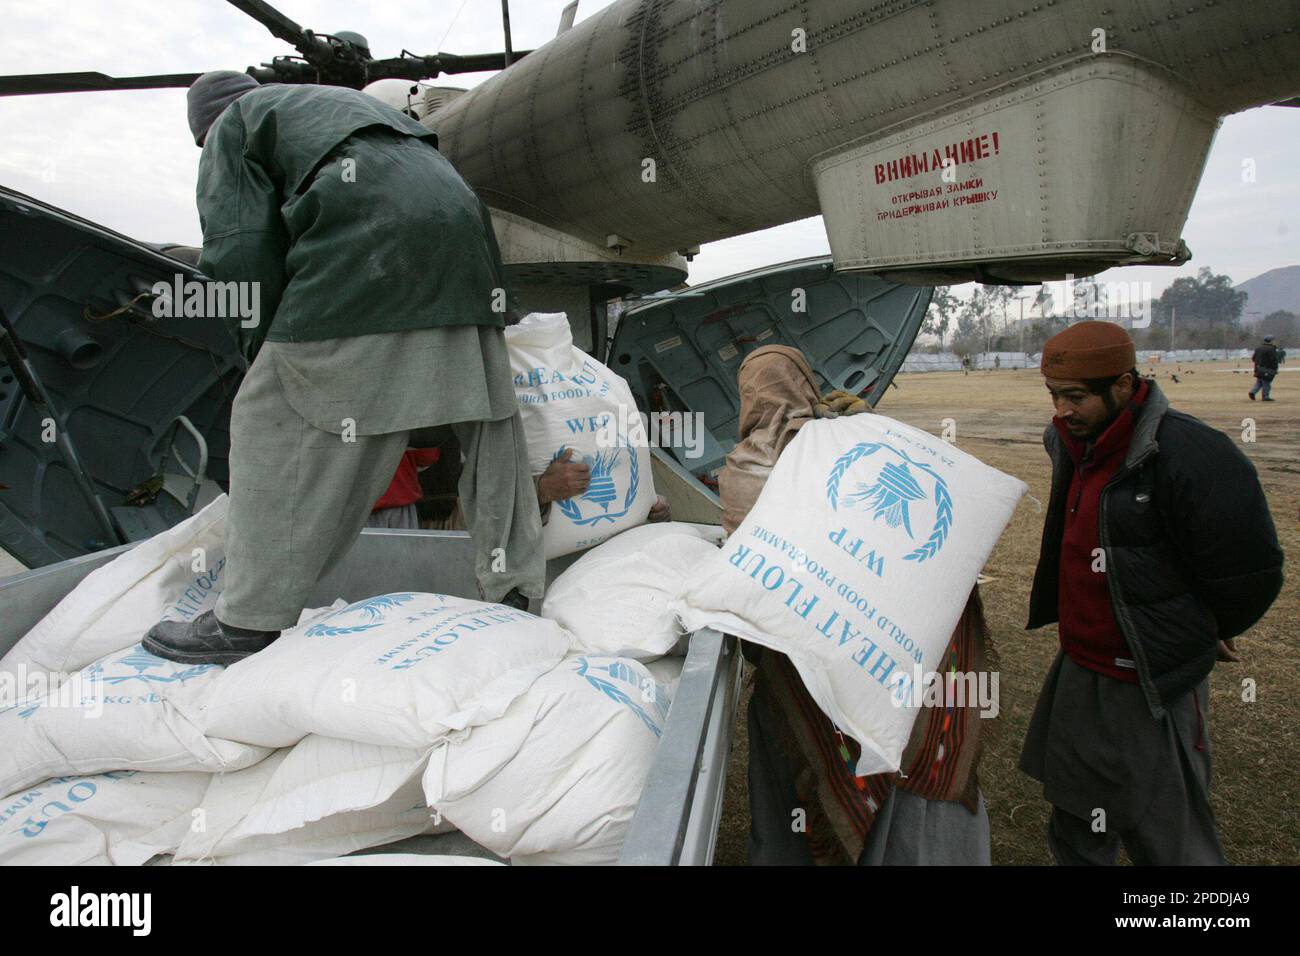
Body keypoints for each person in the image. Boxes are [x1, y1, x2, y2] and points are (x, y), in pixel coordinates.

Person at [144, 72, 545, 666]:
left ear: (204, 127)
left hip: (368, 253)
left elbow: (240, 247)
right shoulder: (347, 109)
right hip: (467, 258)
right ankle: (513, 591)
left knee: (266, 421)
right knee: (489, 430)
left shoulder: (234, 125)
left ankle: (245, 621)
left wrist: (263, 350)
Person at [1021, 321, 1283, 865]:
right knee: (1077, 819)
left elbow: (1249, 571)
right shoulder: (1070, 442)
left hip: (1151, 677)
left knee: (1169, 837)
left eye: (1075, 397)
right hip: (1079, 666)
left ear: (1122, 386)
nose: (1062, 410)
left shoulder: (1192, 453)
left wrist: (1203, 628)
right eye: (1054, 395)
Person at [724, 346, 994, 866]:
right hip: (883, 650)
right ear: (806, 383)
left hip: (799, 666)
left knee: (800, 785)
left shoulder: (747, 463)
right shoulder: (854, 443)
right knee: (898, 773)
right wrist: (867, 426)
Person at [1249, 335, 1280, 401]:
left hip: (1258, 369)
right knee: (1267, 383)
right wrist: (1274, 368)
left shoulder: (1258, 348)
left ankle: (1252, 392)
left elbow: (1254, 358)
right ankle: (1266, 397)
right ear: (1271, 341)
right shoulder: (1271, 349)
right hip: (1267, 370)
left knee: (1259, 382)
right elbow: (1273, 360)